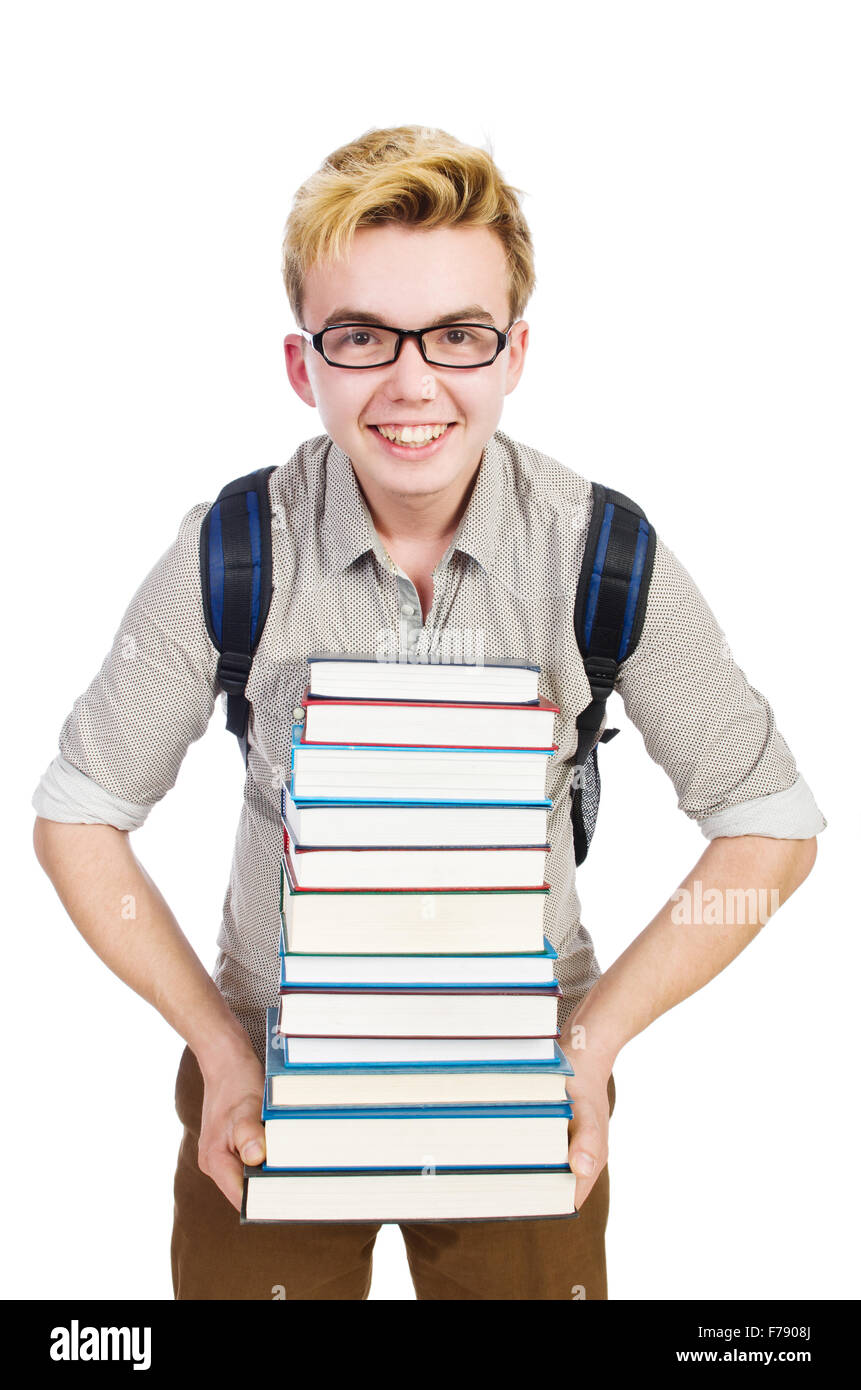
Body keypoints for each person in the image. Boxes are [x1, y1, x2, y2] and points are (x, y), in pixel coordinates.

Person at [32, 124, 826, 1301]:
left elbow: (771, 825)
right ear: (304, 364)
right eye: (362, 337)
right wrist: (217, 1043)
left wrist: (592, 1046)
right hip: (271, 1080)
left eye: (459, 335)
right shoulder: (235, 551)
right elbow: (80, 816)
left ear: (515, 354)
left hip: (528, 1082)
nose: (413, 383)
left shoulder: (601, 555)